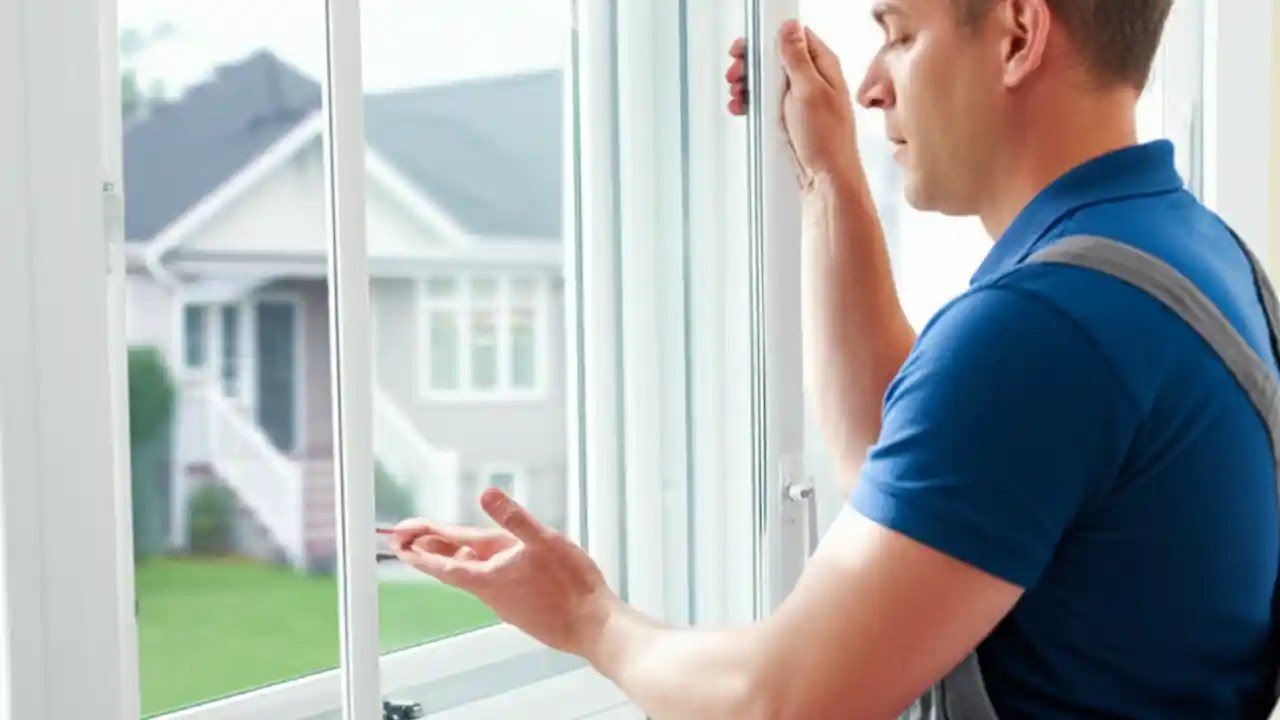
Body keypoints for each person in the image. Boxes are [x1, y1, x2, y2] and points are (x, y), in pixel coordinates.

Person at [389, 1, 1280, 717]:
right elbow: (919, 476)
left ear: (1017, 34)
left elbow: (781, 703)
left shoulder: (1042, 328)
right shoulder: (1196, 256)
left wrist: (588, 617)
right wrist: (827, 177)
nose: (872, 87)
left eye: (900, 34)